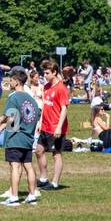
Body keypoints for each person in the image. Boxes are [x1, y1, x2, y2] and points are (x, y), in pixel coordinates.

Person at [0, 67, 41, 207]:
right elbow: (34, 116)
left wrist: (1, 121)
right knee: (29, 166)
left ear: (16, 81)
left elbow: (11, 118)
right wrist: (1, 129)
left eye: (11, 80)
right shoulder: (31, 99)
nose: (10, 83)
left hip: (15, 137)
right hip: (28, 137)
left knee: (14, 166)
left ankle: (13, 197)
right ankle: (32, 195)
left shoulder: (13, 98)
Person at [36, 60, 69, 191]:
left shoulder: (61, 88)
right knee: (39, 150)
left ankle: (55, 183)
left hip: (56, 127)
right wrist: (40, 121)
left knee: (56, 155)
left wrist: (59, 127)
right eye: (44, 72)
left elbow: (64, 109)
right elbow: (44, 105)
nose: (45, 75)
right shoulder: (46, 86)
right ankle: (43, 178)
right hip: (45, 126)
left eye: (47, 73)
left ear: (55, 72)